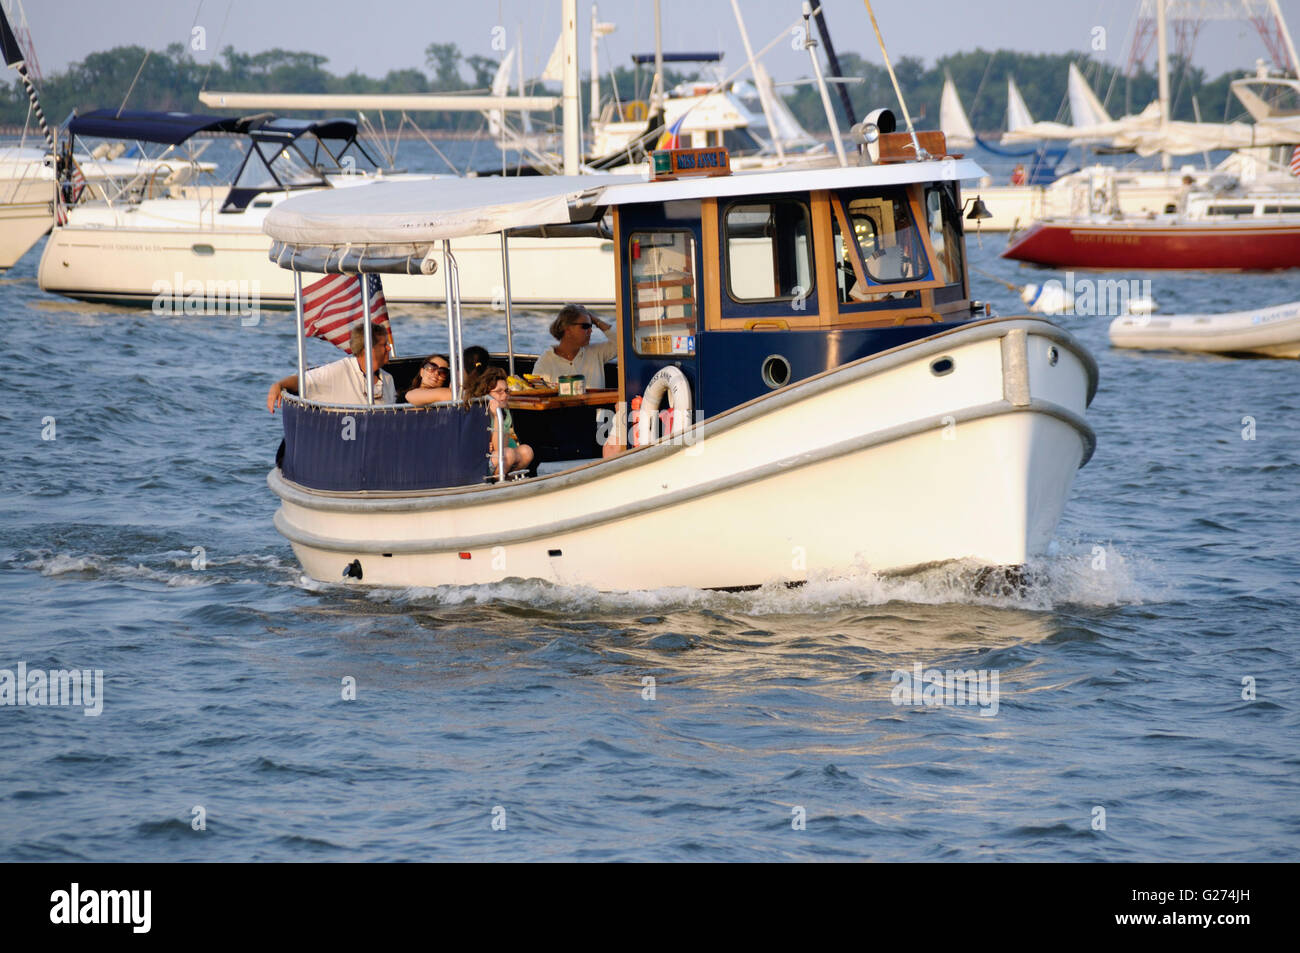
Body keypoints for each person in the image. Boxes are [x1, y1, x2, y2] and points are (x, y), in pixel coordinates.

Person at [266, 322, 395, 412]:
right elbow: (303, 381)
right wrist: (278, 385)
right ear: (368, 349)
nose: (389, 348)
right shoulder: (339, 371)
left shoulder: (388, 379)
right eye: (384, 345)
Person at [532, 304, 618, 387]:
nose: (591, 331)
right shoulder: (545, 362)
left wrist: (596, 320)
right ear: (568, 329)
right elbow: (538, 392)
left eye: (591, 326)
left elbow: (623, 342)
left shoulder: (597, 352)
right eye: (585, 326)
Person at [468, 367, 534, 476]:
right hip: (481, 461)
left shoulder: (504, 411)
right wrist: (496, 417)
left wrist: (498, 418)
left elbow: (501, 445)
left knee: (527, 451)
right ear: (485, 393)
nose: (505, 395)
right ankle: (496, 481)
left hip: (500, 454)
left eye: (506, 391)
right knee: (508, 454)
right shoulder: (477, 411)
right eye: (499, 392)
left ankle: (506, 479)